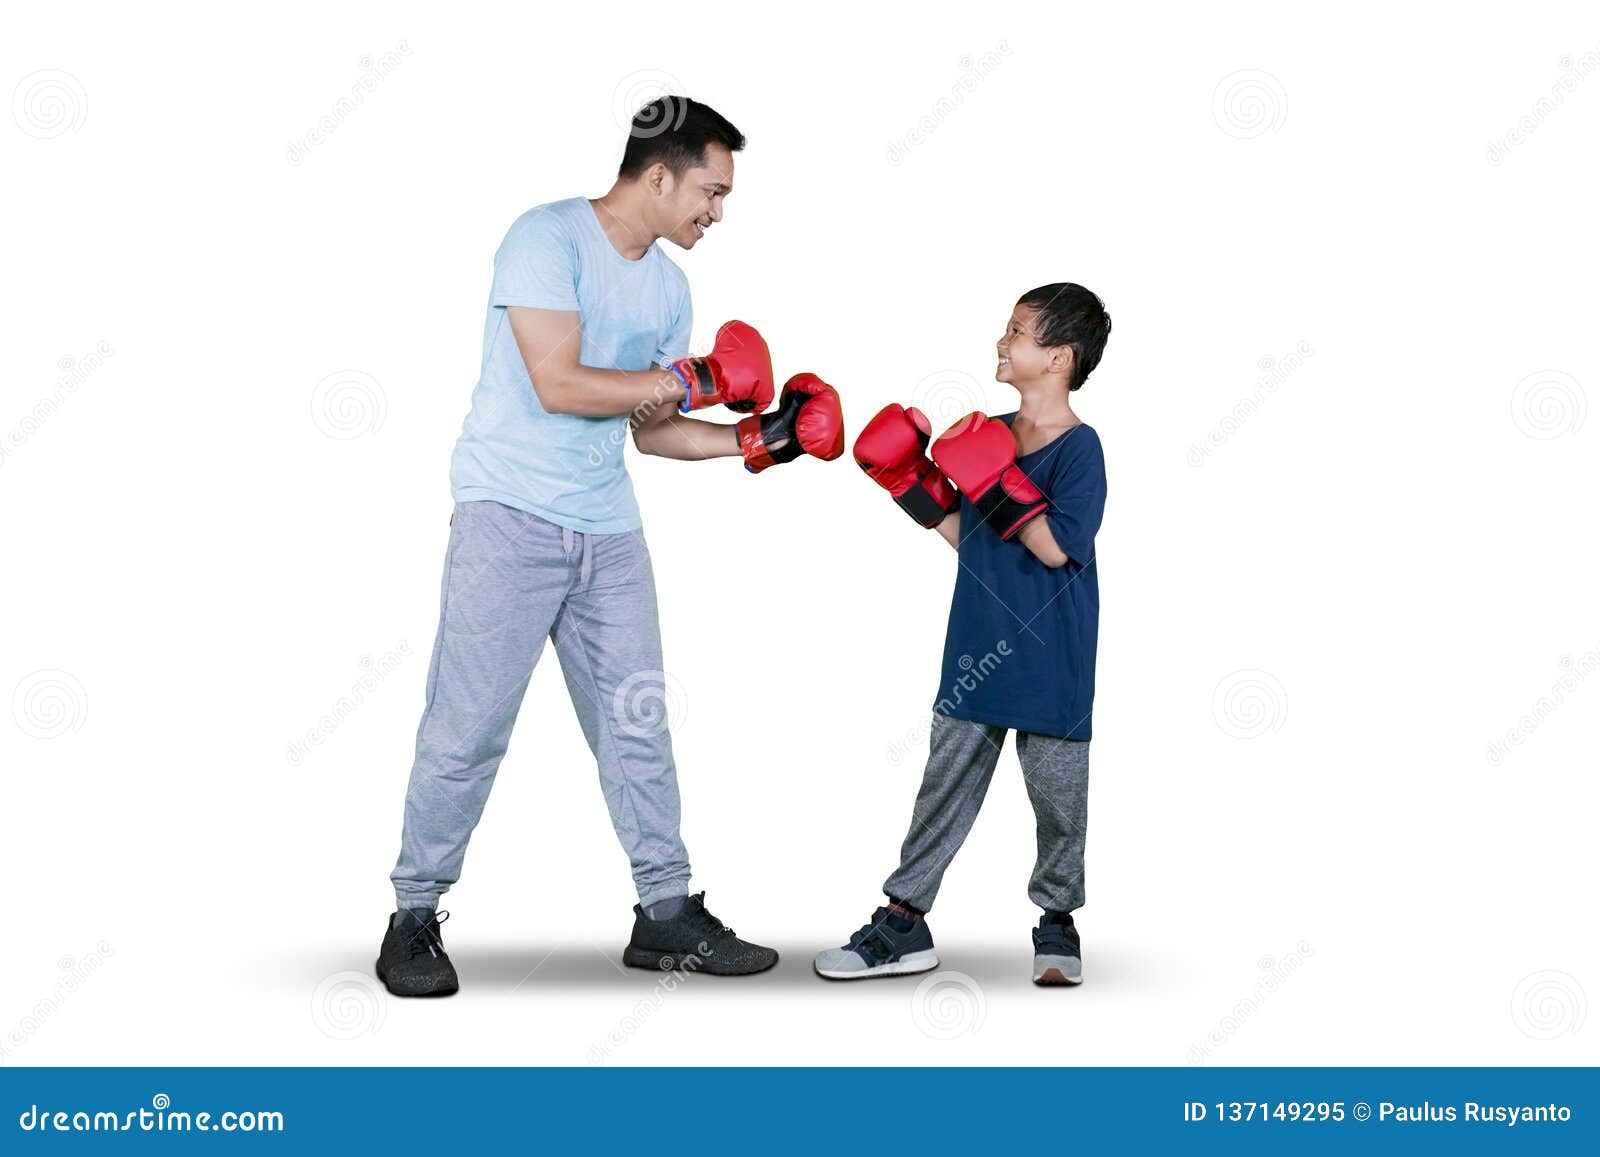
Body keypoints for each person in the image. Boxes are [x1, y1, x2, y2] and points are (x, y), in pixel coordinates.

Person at [377, 97, 843, 996]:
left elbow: (652, 429)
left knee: (638, 722)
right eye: (711, 189)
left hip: (607, 528)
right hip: (507, 516)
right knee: (467, 728)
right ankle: (412, 914)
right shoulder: (545, 239)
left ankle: (665, 912)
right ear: (658, 174)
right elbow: (559, 381)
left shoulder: (670, 287)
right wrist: (696, 376)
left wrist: (760, 440)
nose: (718, 210)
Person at [819, 283, 1111, 985]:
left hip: (1053, 660)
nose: (1001, 342)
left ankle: (1057, 921)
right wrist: (906, 481)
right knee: (941, 789)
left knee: (1058, 803)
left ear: (1059, 357)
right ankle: (905, 920)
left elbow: (1052, 548)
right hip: (977, 649)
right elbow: (968, 538)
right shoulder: (989, 436)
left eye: (1017, 332)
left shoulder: (1080, 450)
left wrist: (993, 473)